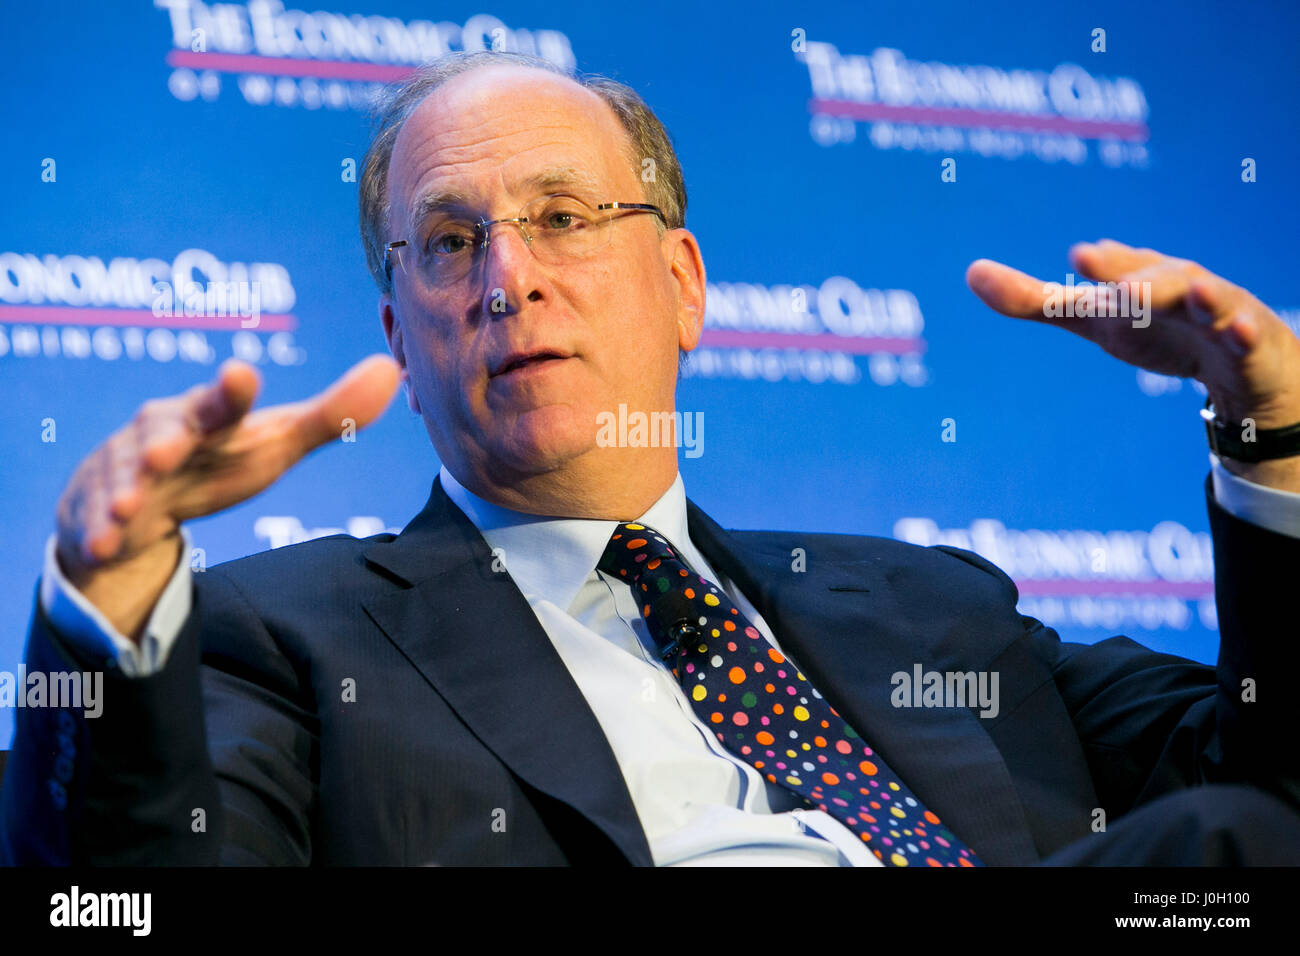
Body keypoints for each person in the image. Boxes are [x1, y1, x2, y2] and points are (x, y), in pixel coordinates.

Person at [3, 50, 1300, 866]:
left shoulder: (937, 609)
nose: (508, 280)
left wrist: (1275, 437)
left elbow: (1268, 777)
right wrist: (103, 597)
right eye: (450, 243)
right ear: (398, 332)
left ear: (682, 285)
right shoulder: (277, 639)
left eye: (563, 219)